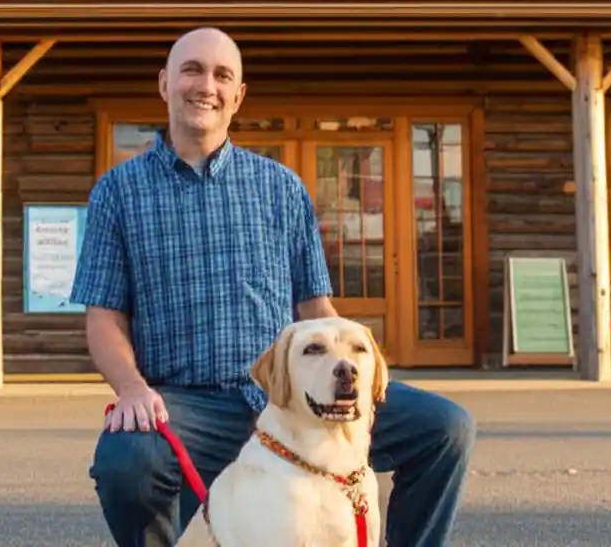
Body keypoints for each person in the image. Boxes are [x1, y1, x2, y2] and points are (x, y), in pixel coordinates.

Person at [71, 27, 475, 547]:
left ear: (238, 96)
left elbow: (316, 306)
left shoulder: (280, 186)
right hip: (187, 404)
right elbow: (104, 316)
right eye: (192, 70)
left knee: (446, 429)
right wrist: (130, 389)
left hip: (288, 391)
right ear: (164, 84)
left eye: (222, 75)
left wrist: (350, 377)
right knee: (127, 460)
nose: (206, 86)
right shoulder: (117, 192)